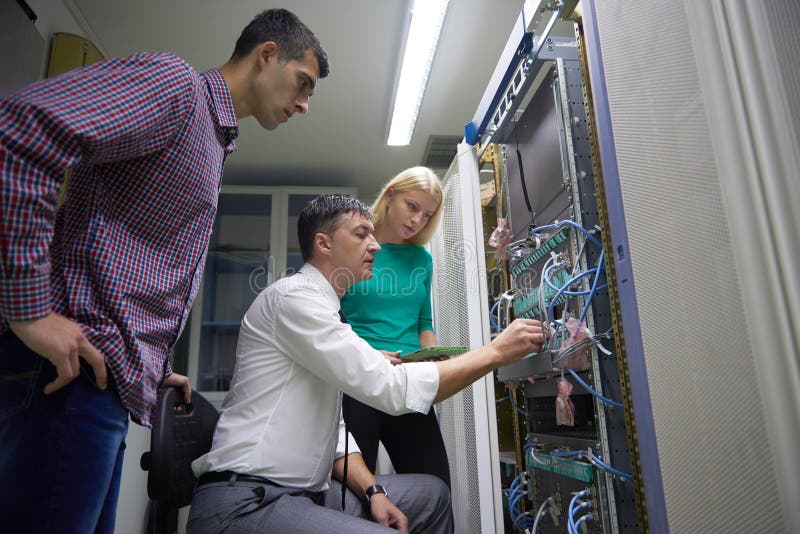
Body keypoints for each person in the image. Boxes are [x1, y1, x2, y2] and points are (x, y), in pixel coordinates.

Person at [0, 8, 328, 533]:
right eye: (302, 83)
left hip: (105, 377)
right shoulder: (177, 87)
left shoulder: (213, 140)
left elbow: (130, 259)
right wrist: (29, 309)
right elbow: (20, 131)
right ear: (267, 54)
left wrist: (150, 362)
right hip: (67, 374)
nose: (305, 104)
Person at [188, 194, 544, 533]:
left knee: (431, 494)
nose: (375, 245)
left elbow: (337, 432)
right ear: (325, 244)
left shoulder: (329, 314)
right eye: (361, 235)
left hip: (300, 495)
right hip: (247, 503)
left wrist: (374, 492)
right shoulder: (296, 299)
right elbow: (391, 389)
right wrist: (496, 352)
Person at [340, 167, 452, 487]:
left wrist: (433, 355)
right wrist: (369, 354)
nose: (417, 220)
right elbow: (332, 320)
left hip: (408, 381)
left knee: (435, 485)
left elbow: (423, 322)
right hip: (359, 380)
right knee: (355, 492)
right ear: (390, 197)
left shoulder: (421, 259)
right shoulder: (353, 246)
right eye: (412, 207)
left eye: (427, 215)